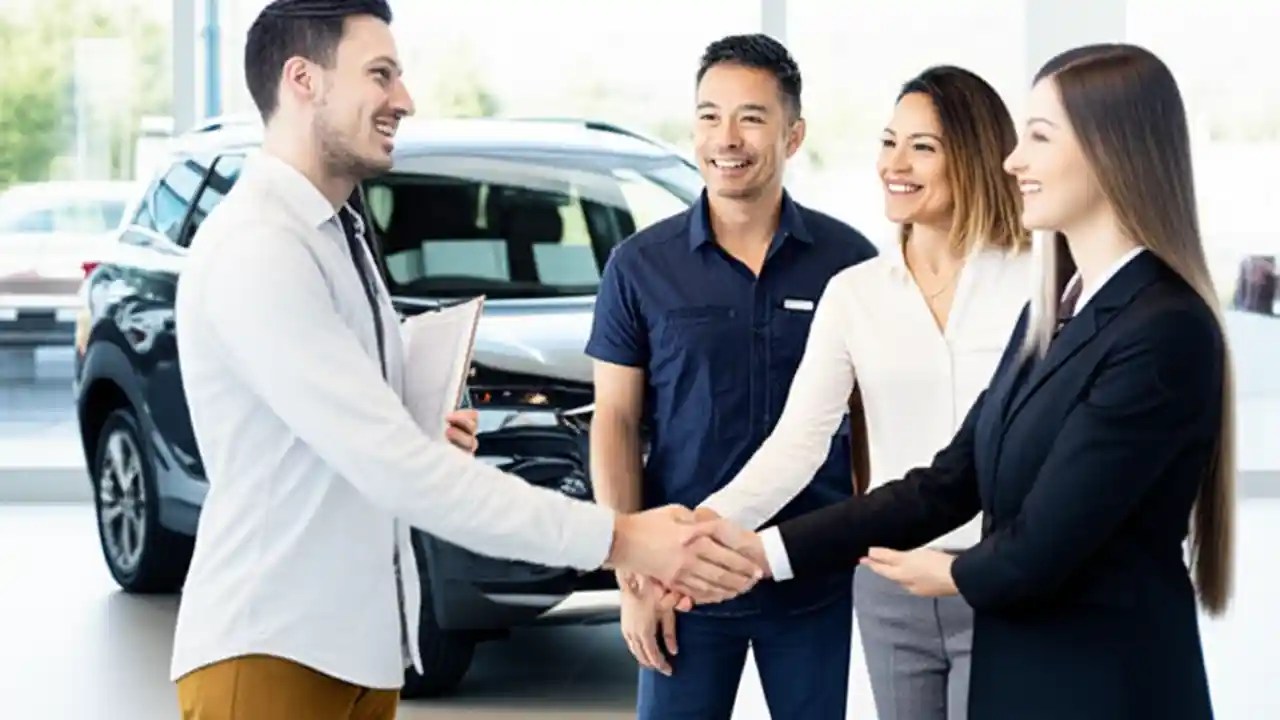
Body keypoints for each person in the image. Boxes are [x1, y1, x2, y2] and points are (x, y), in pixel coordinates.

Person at [168, 2, 761, 718]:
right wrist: (621, 537)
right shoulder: (261, 248)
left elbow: (345, 440)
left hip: (354, 647)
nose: (404, 100)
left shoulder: (334, 234)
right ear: (303, 80)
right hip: (272, 649)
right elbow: (390, 464)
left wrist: (416, 427)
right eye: (380, 74)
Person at [698, 42, 1237, 720]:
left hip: (1099, 681)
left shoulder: (1162, 326)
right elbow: (952, 479)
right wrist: (759, 549)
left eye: (1039, 136)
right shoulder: (1056, 310)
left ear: (1110, 152)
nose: (1015, 160)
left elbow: (1048, 539)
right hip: (1029, 663)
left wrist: (950, 571)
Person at [691, 65, 1031, 720]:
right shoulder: (856, 292)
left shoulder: (1036, 284)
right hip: (889, 585)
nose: (894, 164)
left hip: (1004, 581)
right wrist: (704, 531)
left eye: (922, 147)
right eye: (887, 141)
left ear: (976, 155)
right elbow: (798, 444)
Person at [586, 33, 878, 720]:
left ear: (793, 133)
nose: (727, 137)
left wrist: (875, 535)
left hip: (813, 575)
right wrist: (630, 567)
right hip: (681, 577)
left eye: (751, 116)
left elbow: (870, 417)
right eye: (709, 115)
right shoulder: (639, 265)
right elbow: (616, 421)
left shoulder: (849, 260)